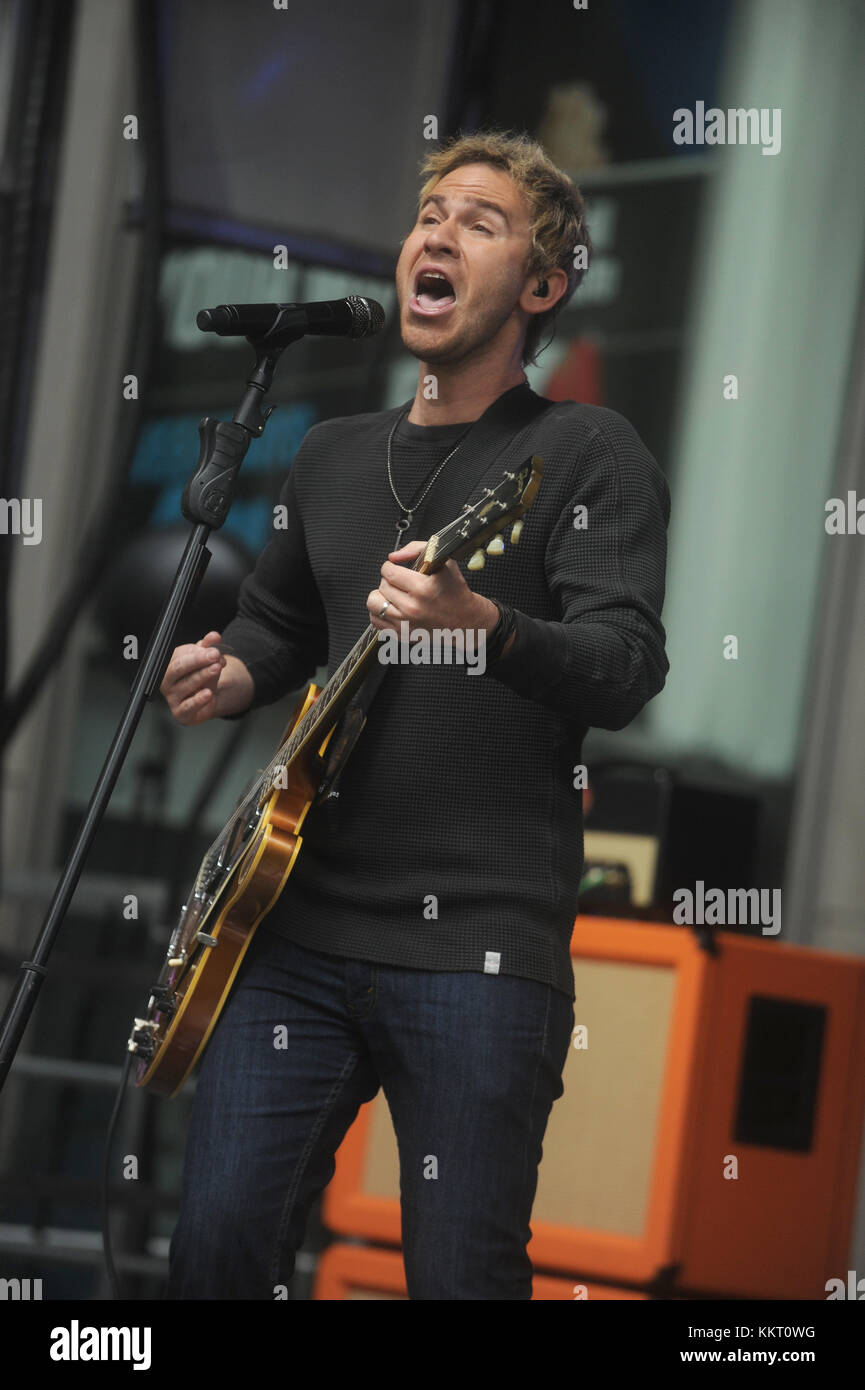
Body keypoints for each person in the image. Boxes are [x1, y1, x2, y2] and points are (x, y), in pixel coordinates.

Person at [160, 130, 670, 1300]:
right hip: (290, 930)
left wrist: (481, 619)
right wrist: (226, 673)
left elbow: (625, 666)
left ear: (542, 288)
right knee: (218, 1253)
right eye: (428, 214)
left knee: (461, 1277)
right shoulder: (334, 456)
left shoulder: (582, 452)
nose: (434, 234)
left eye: (479, 221)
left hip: (478, 950)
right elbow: (278, 627)